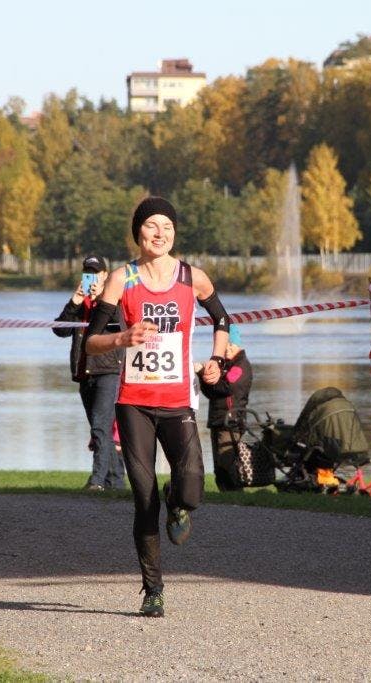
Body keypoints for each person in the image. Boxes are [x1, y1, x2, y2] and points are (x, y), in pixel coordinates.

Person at [84, 196, 231, 618]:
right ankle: (153, 589)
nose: (160, 233)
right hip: (133, 403)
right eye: (151, 225)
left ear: (175, 233)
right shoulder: (122, 279)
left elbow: (223, 320)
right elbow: (91, 343)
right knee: (144, 498)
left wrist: (217, 360)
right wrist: (121, 338)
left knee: (192, 485)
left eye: (167, 225)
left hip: (178, 400)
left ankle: (178, 502)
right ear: (138, 233)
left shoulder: (192, 277)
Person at [53, 254, 126, 492]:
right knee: (100, 429)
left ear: (105, 275)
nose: (91, 277)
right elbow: (60, 330)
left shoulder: (112, 299)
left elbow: (119, 325)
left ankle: (97, 481)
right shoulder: (80, 303)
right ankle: (116, 482)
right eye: (87, 273)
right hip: (85, 373)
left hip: (108, 370)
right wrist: (75, 300)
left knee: (100, 427)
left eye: (95, 273)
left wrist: (100, 300)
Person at [196, 325, 253, 491]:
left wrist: (203, 373)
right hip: (218, 420)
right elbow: (212, 392)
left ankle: (235, 494)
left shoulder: (239, 366)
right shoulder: (225, 365)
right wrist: (205, 376)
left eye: (230, 344)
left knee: (227, 463)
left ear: (237, 344)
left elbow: (226, 388)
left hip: (231, 422)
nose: (227, 348)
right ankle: (225, 494)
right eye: (224, 345)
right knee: (219, 466)